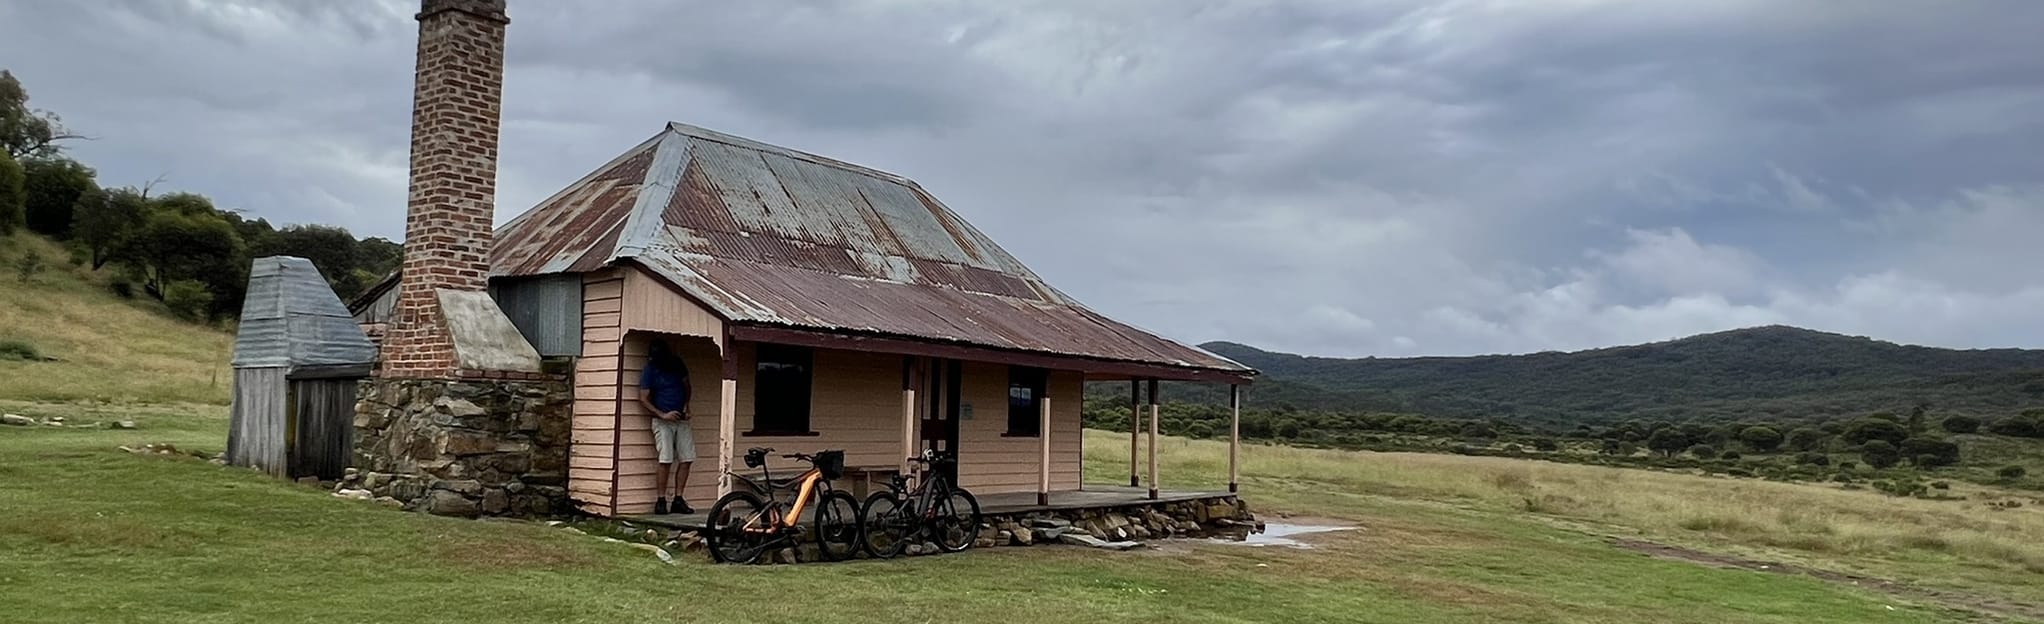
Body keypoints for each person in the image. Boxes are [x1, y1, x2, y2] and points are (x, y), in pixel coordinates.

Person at [638, 340, 694, 515]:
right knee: (666, 459)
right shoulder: (650, 369)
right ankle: (661, 499)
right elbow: (643, 397)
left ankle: (678, 498)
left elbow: (687, 386)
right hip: (662, 420)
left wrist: (686, 405)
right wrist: (661, 414)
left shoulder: (676, 364)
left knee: (687, 458)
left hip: (681, 418)